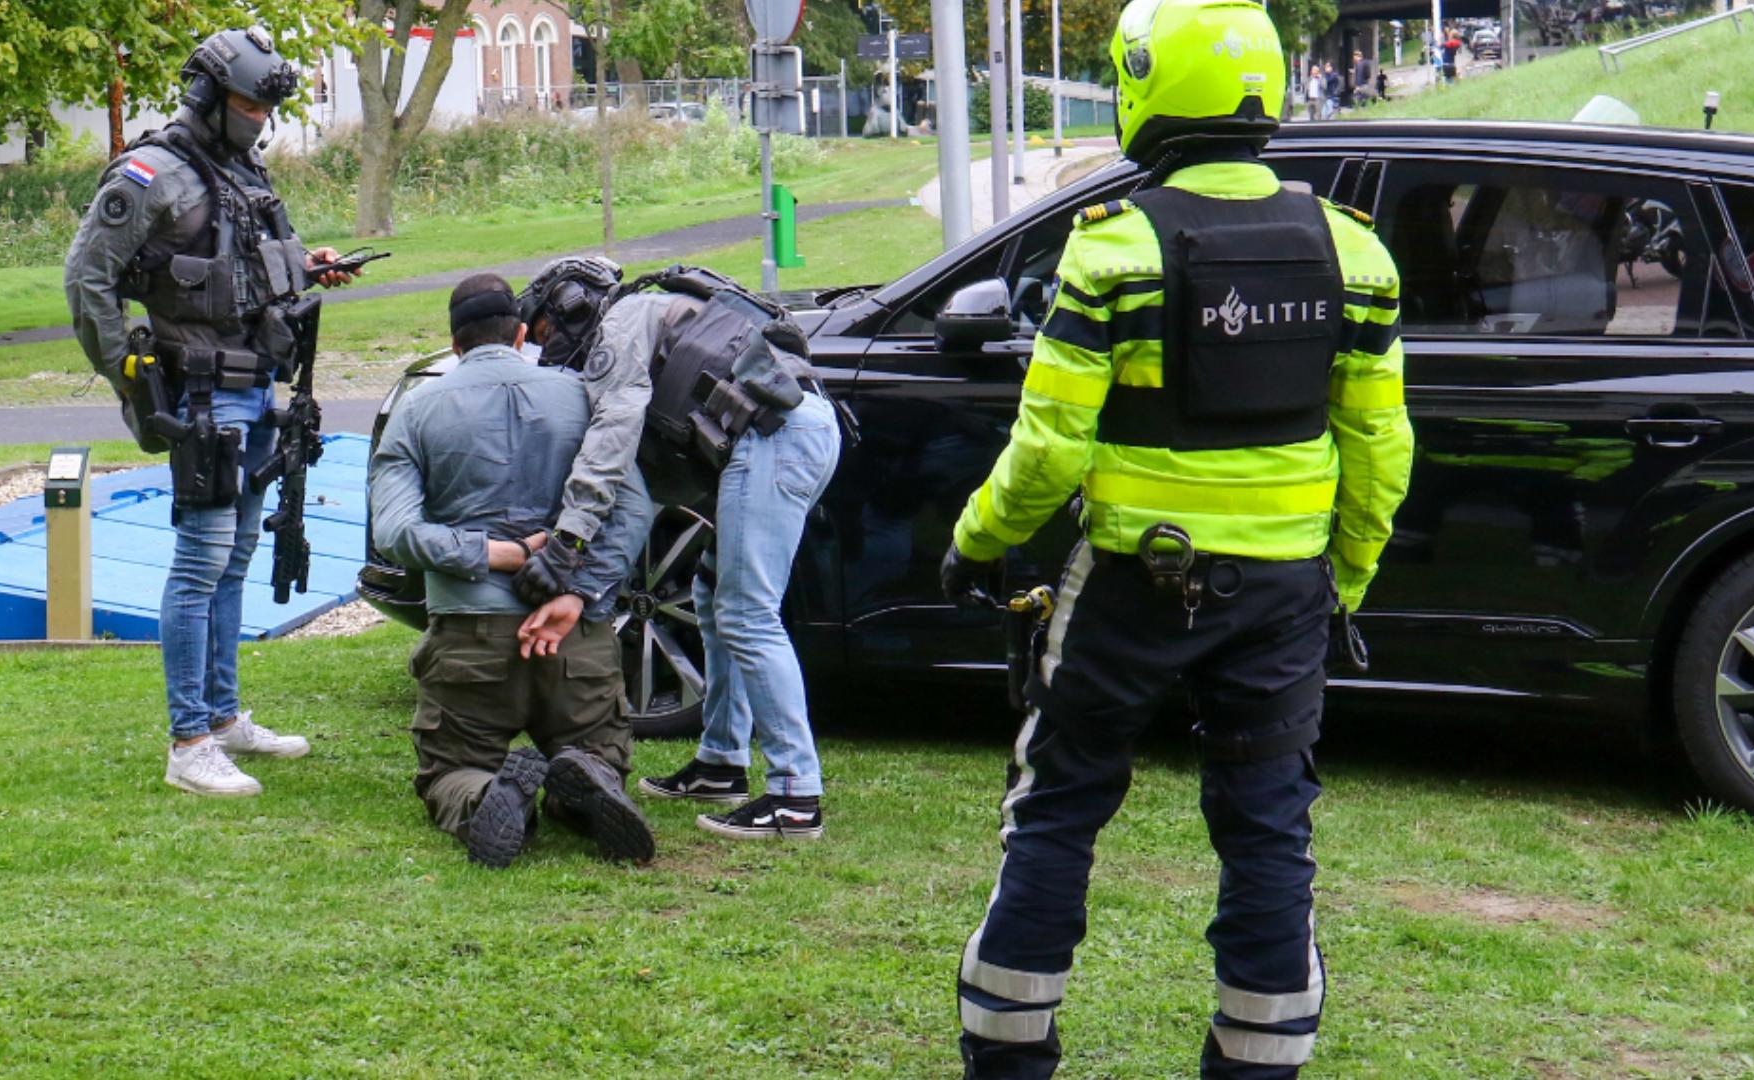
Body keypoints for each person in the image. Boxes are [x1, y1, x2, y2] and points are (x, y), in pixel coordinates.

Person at [940, 0, 1414, 1074]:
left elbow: (1050, 449)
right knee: (1267, 832)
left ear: (1144, 85)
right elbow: (1382, 450)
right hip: (1288, 593)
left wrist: (976, 542)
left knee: (1057, 810)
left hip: (1129, 587)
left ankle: (1008, 1055)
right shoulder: (1359, 257)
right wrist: (1344, 576)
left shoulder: (1109, 256)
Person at [65, 27, 363, 798]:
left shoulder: (238, 170)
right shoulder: (152, 174)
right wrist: (127, 375)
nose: (261, 118)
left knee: (233, 558)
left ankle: (225, 717)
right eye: (249, 104)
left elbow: (239, 265)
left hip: (260, 381)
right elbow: (85, 277)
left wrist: (308, 264)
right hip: (201, 392)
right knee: (201, 561)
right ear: (208, 96)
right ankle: (187, 740)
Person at [512, 257, 843, 840]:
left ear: (570, 305)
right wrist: (588, 589)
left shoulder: (620, 326)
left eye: (542, 330)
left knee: (748, 614)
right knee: (715, 600)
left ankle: (795, 797)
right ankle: (720, 763)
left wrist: (566, 543)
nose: (546, 347)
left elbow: (612, 441)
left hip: (776, 439)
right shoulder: (655, 324)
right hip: (789, 434)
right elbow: (638, 500)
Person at [368, 273, 656, 868]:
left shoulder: (418, 409)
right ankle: (587, 779)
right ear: (523, 334)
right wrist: (576, 593)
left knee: (451, 769)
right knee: (599, 750)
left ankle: (487, 796)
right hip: (572, 637)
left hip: (468, 641)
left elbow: (394, 533)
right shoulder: (579, 397)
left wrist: (489, 553)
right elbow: (633, 507)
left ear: (454, 345)